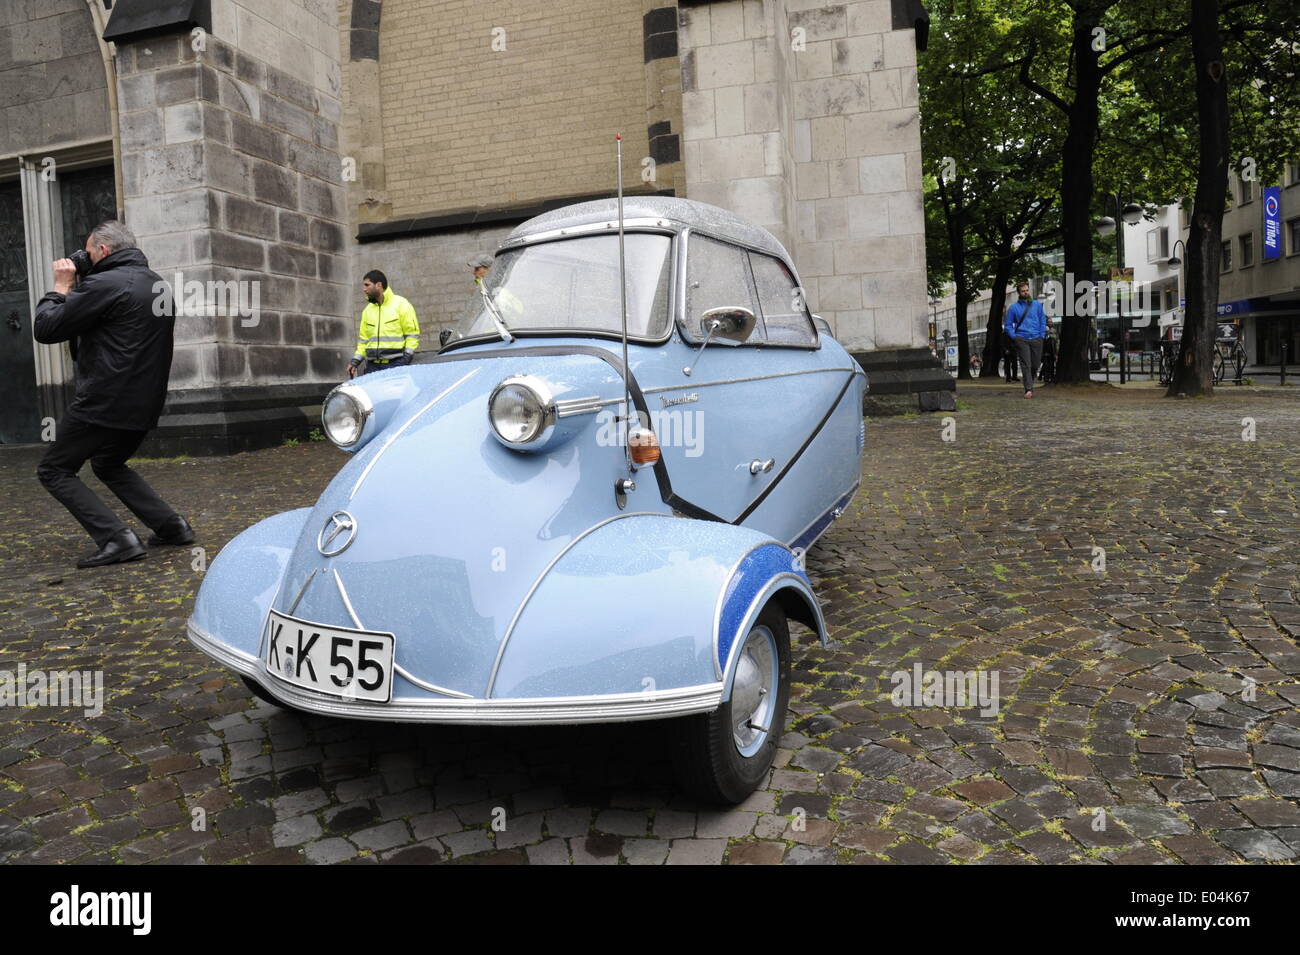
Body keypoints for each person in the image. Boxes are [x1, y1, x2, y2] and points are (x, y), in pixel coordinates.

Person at [33, 221, 194, 568]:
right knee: (108, 463)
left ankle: (116, 539)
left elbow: (46, 328)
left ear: (103, 251)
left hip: (104, 399)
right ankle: (171, 526)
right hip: (145, 401)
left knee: (55, 470)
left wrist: (61, 286)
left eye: (88, 251)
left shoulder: (104, 283)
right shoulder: (157, 283)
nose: (84, 257)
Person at [349, 270, 420, 377]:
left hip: (396, 364)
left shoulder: (401, 304)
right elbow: (364, 340)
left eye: (367, 285)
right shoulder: (367, 310)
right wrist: (355, 361)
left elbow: (412, 334)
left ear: (378, 285)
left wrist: (406, 359)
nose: (364, 289)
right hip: (372, 367)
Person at [1003, 281, 1047, 397]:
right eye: (1023, 291)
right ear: (1019, 293)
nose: (1026, 292)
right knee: (1026, 364)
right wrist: (1015, 337)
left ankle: (1030, 384)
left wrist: (1042, 335)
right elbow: (1008, 325)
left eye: (1027, 290)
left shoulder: (1037, 305)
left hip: (1037, 338)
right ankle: (1028, 389)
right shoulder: (1013, 308)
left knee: (1035, 364)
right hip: (1022, 339)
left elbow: (1042, 320)